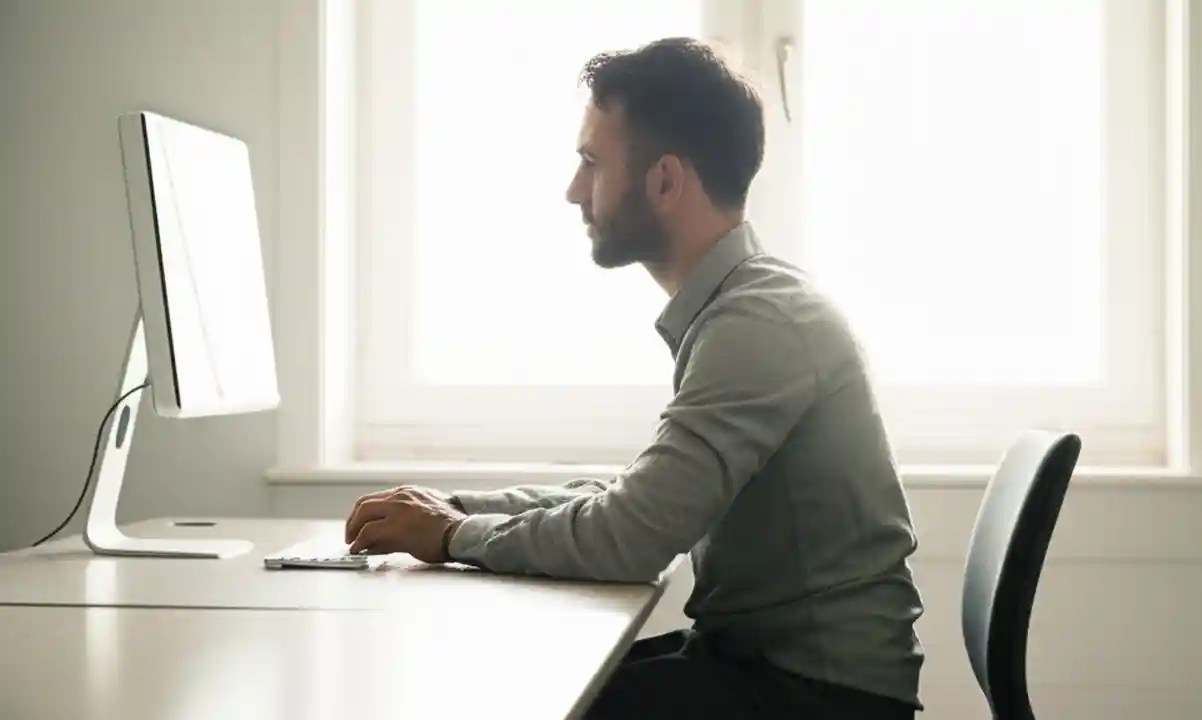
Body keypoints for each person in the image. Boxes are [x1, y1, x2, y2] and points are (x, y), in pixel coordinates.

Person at [344, 37, 924, 719]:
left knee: (508, 701)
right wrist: (457, 510)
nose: (573, 191)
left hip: (816, 696)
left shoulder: (758, 324)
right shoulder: (738, 308)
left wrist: (449, 536)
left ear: (666, 182)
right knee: (526, 684)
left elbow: (631, 536)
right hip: (766, 667)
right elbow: (624, 499)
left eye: (592, 162)